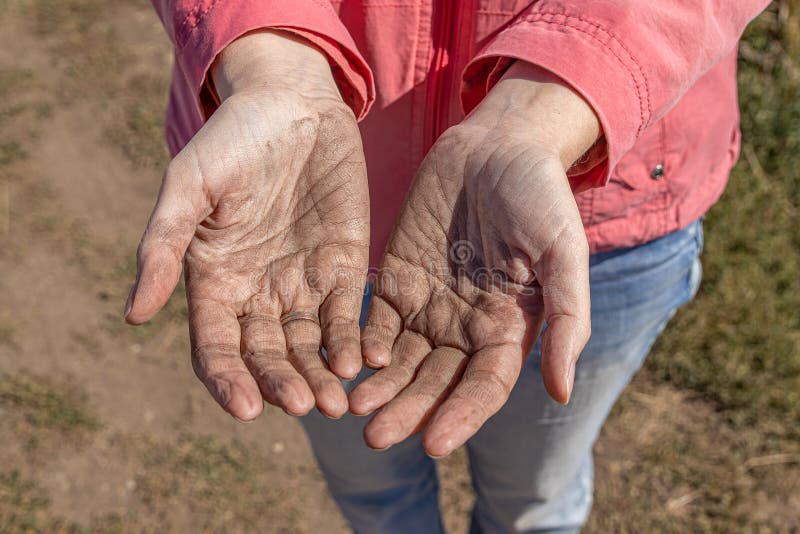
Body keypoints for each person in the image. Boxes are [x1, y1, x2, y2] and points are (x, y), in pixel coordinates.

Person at [126, 1, 769, 532]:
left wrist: (550, 106)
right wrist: (270, 58)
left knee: (534, 503)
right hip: (307, 232)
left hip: (597, 197)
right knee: (374, 496)